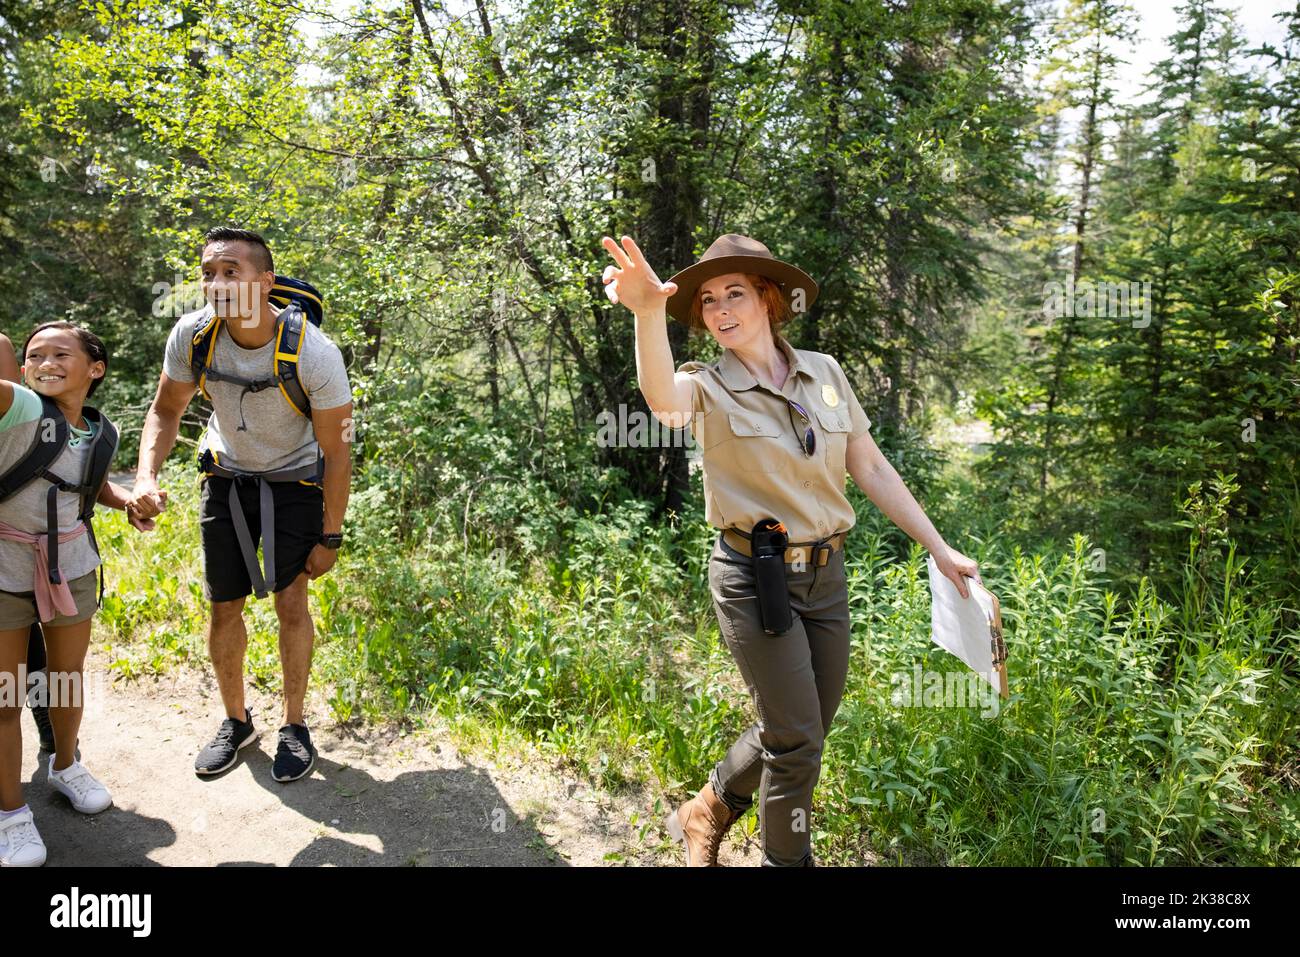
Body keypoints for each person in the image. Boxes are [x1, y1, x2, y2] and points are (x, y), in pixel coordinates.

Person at [600, 233, 982, 867]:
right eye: (711, 301)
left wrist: (939, 548)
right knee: (798, 740)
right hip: (755, 579)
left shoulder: (826, 373)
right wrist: (646, 313)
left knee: (800, 732)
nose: (721, 310)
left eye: (736, 294)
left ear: (768, 299)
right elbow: (663, 401)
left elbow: (871, 466)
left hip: (825, 579)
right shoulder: (706, 386)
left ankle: (709, 806)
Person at [128, 227, 353, 784]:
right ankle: (237, 721)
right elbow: (165, 411)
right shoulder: (193, 335)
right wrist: (144, 478)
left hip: (295, 484)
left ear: (266, 282)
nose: (217, 283)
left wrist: (330, 536)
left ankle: (295, 728)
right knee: (223, 606)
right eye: (208, 273)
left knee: (291, 603)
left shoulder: (315, 354)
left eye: (232, 271)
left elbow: (337, 453)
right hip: (225, 480)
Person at [0, 323, 149, 867]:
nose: (45, 361)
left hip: (72, 567)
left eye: (61, 353)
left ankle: (64, 765)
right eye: (34, 354)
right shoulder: (17, 407)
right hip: (5, 569)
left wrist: (128, 500)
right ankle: (11, 814)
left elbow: (86, 481)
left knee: (65, 681)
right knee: (4, 698)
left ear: (96, 368)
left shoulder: (98, 429)